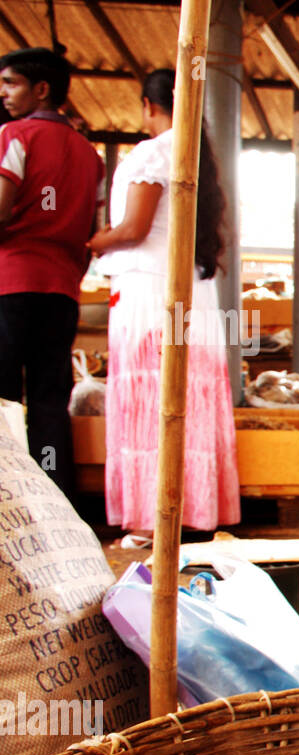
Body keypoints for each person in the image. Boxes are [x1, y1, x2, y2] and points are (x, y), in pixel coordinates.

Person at [87, 69, 239, 533]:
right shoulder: (200, 155)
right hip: (191, 292)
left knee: (152, 401)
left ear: (149, 105)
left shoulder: (152, 153)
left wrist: (94, 241)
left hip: (150, 294)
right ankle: (194, 511)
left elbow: (133, 229)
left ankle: (152, 519)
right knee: (187, 399)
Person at [0, 47, 104, 495]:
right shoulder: (91, 156)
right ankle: (54, 499)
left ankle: (7, 504)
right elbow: (91, 230)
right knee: (49, 401)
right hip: (61, 290)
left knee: (3, 400)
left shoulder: (15, 135)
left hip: (11, 281)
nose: (3, 93)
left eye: (11, 83)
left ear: (41, 89)